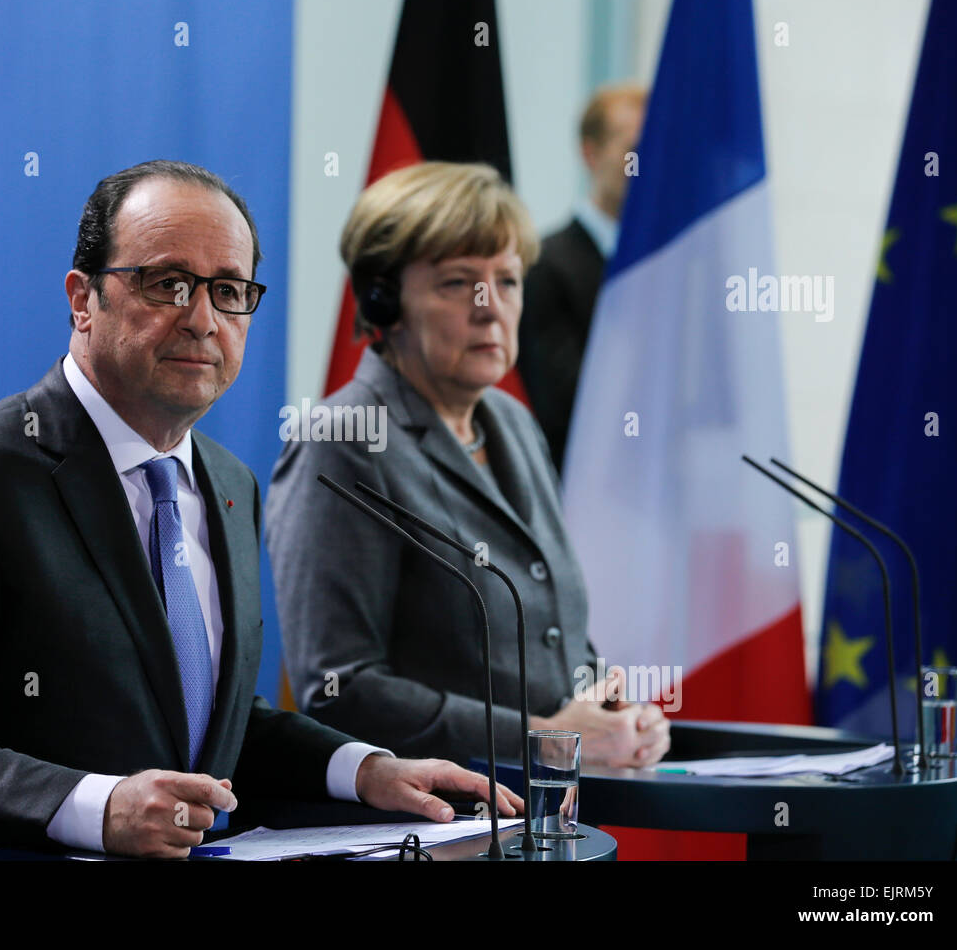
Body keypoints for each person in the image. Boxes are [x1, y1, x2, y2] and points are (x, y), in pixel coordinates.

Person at [0, 160, 520, 860]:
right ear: (83, 300)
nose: (201, 319)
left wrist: (367, 769)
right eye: (167, 284)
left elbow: (210, 727)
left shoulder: (229, 483)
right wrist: (97, 807)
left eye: (228, 291)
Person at [266, 161, 670, 771]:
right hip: (421, 830)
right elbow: (340, 688)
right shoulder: (341, 439)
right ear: (384, 300)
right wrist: (541, 737)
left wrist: (609, 707)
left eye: (507, 282)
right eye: (458, 283)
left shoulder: (511, 422)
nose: (491, 309)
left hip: (538, 820)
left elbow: (547, 636)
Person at [519, 84, 646, 472]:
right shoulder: (545, 265)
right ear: (591, 154)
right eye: (633, 152)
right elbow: (565, 407)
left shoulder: (681, 270)